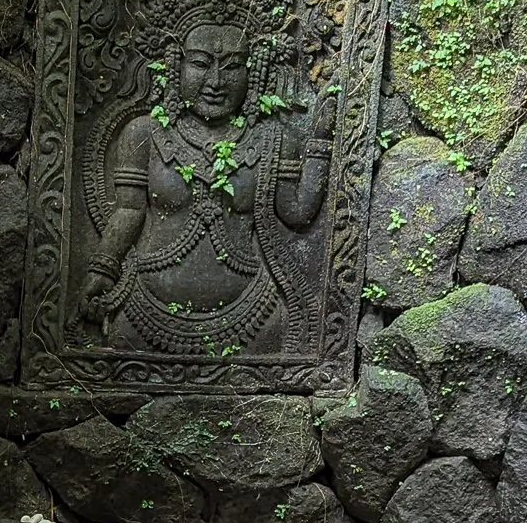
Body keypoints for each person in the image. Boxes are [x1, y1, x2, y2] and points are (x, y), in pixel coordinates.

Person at [76, 20, 334, 356]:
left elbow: (297, 213)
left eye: (233, 67)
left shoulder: (273, 139)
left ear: (253, 72)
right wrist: (102, 269)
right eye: (199, 64)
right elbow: (129, 210)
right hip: (143, 312)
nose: (215, 82)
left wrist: (320, 142)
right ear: (175, 66)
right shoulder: (144, 134)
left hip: (254, 316)